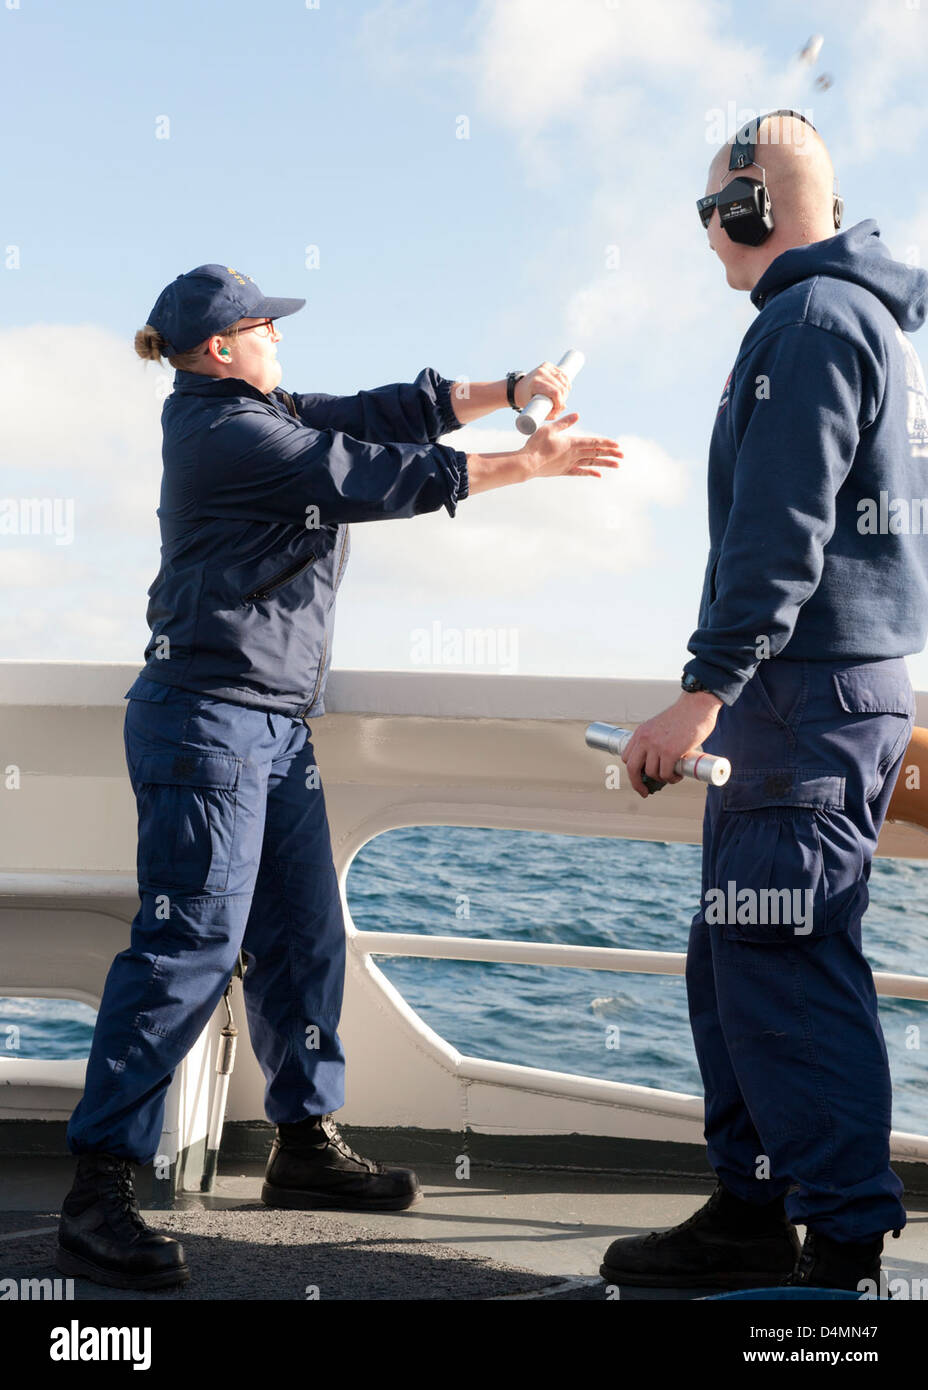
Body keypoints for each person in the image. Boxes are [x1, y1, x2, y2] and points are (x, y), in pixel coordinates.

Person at [56, 263, 622, 1291]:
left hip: (272, 725)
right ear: (222, 347)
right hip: (207, 720)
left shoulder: (263, 407)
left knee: (301, 936)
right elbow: (369, 474)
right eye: (263, 323)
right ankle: (98, 1187)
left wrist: (507, 385)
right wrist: (522, 465)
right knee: (188, 945)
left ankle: (303, 1144)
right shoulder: (229, 433)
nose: (279, 331)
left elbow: (385, 413)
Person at [600, 111, 928, 1294]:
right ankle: (750, 1208)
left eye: (709, 210)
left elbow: (777, 536)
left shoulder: (810, 319)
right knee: (733, 953)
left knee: (782, 961)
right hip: (807, 697)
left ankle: (839, 1260)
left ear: (750, 205)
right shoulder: (847, 319)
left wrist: (700, 694)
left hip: (801, 700)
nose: (704, 235)